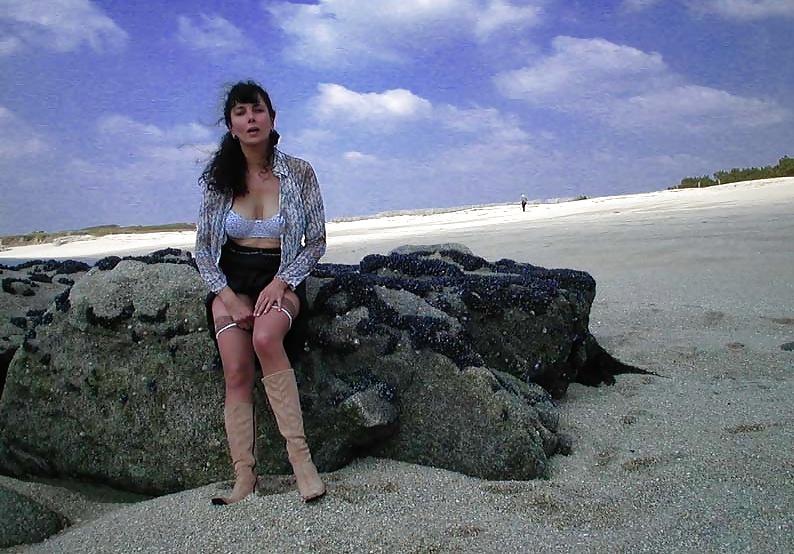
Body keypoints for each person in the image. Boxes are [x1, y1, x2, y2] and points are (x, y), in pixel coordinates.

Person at [195, 80, 327, 505]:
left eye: (257, 111)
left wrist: (282, 280)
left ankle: (301, 461)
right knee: (236, 369)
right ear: (231, 125)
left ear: (272, 119)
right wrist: (227, 297)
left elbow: (317, 241)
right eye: (240, 112)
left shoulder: (300, 171)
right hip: (232, 282)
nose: (249, 119)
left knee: (266, 338)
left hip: (280, 275)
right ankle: (244, 477)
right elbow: (201, 249)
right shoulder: (220, 180)